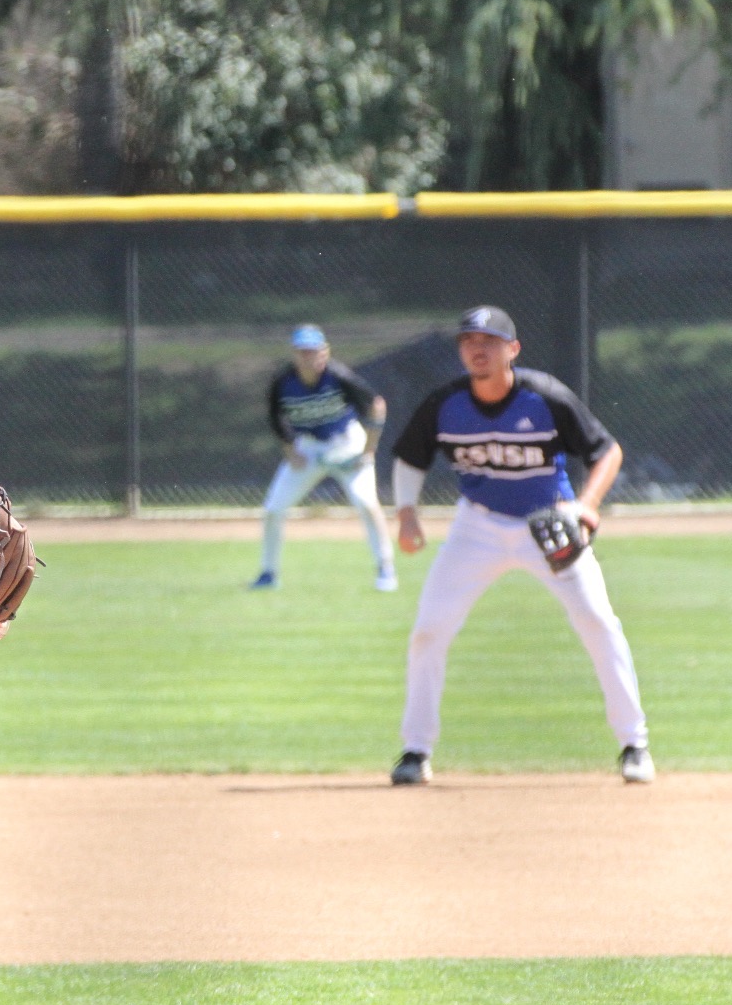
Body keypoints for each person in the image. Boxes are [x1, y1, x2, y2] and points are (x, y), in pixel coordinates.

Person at [386, 305, 653, 786]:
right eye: (468, 341)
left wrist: (588, 505)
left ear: (513, 350)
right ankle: (415, 750)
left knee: (597, 621)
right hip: (476, 529)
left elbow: (606, 450)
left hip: (548, 526)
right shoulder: (445, 404)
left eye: (488, 341)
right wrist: (407, 514)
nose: (477, 349)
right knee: (429, 630)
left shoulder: (544, 397)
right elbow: (409, 457)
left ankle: (634, 743)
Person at [252, 324, 396, 592]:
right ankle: (268, 574)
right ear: (294, 354)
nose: (309, 357)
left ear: (325, 352)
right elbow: (275, 416)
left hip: (347, 445)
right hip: (308, 447)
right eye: (303, 352)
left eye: (314, 351)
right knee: (273, 509)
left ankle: (385, 568)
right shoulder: (283, 381)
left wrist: (368, 450)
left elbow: (376, 405)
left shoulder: (338, 376)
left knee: (366, 503)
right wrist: (290, 450)